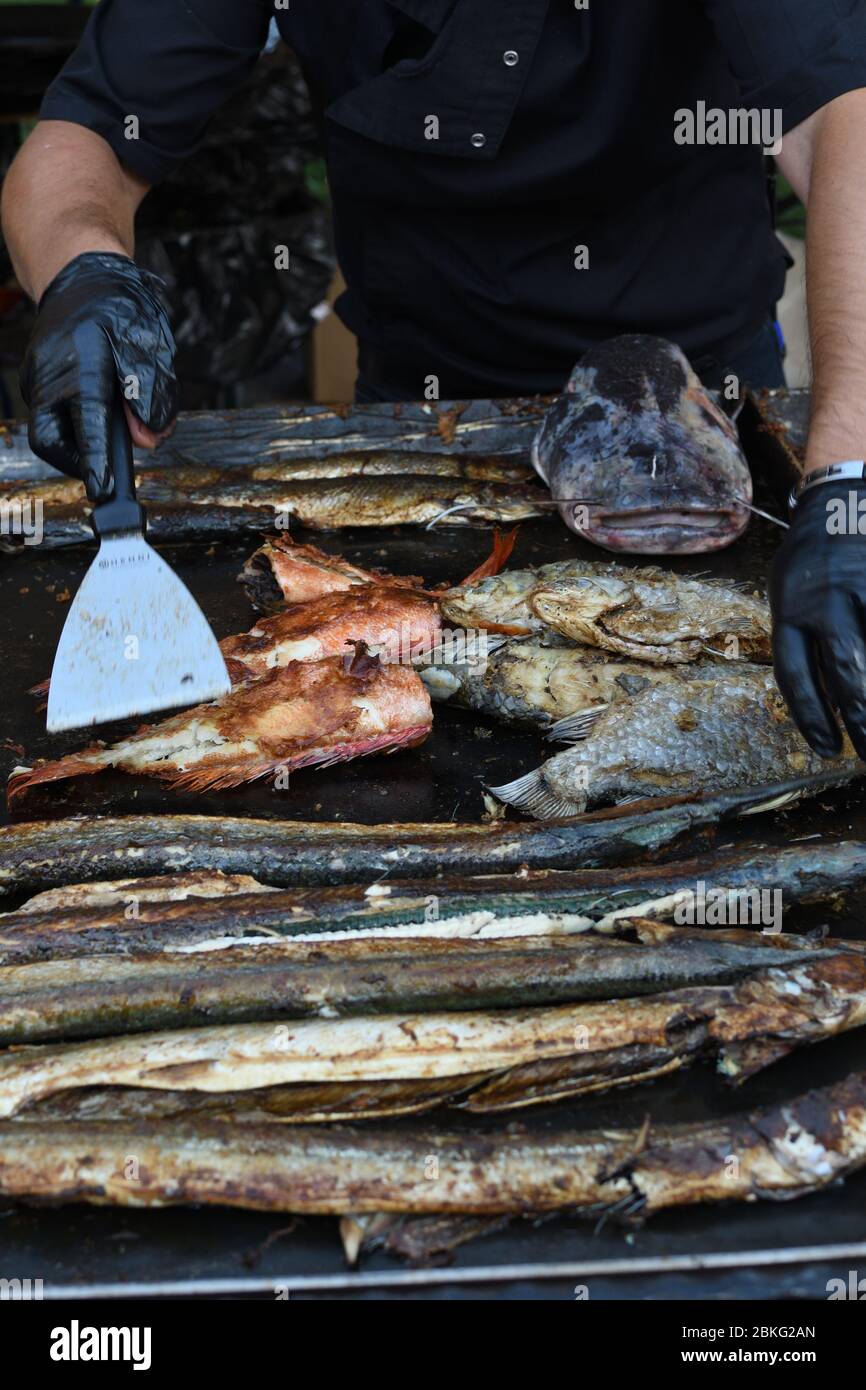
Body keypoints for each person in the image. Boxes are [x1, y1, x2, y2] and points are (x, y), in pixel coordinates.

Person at [2, 1, 866, 761]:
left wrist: (847, 478)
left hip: (701, 423)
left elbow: (844, 114)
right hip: (421, 426)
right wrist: (83, 268)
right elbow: (83, 139)